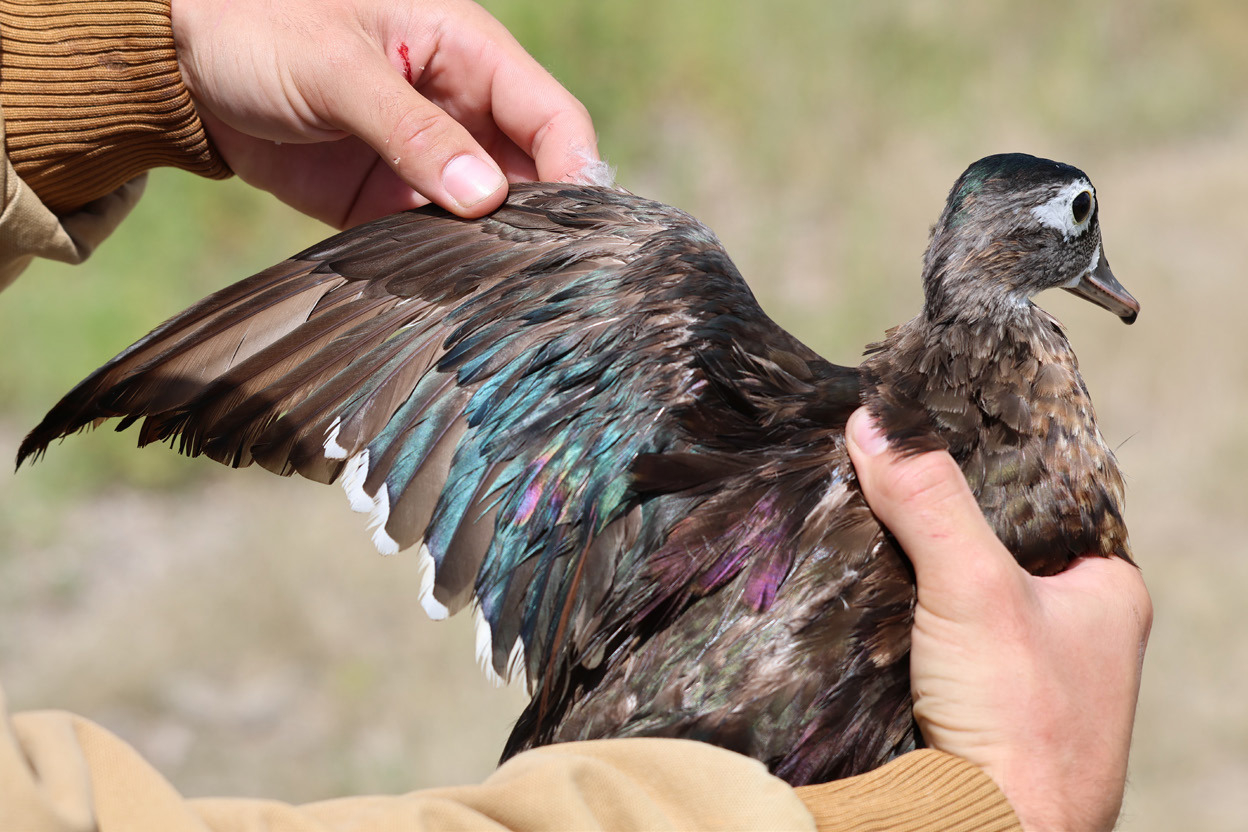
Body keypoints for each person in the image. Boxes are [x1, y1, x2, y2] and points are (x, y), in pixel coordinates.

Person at [0, 1, 1152, 829]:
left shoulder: (665, 313)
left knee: (622, 250)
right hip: (700, 765)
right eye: (1080, 225)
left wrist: (163, 46)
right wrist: (992, 804)